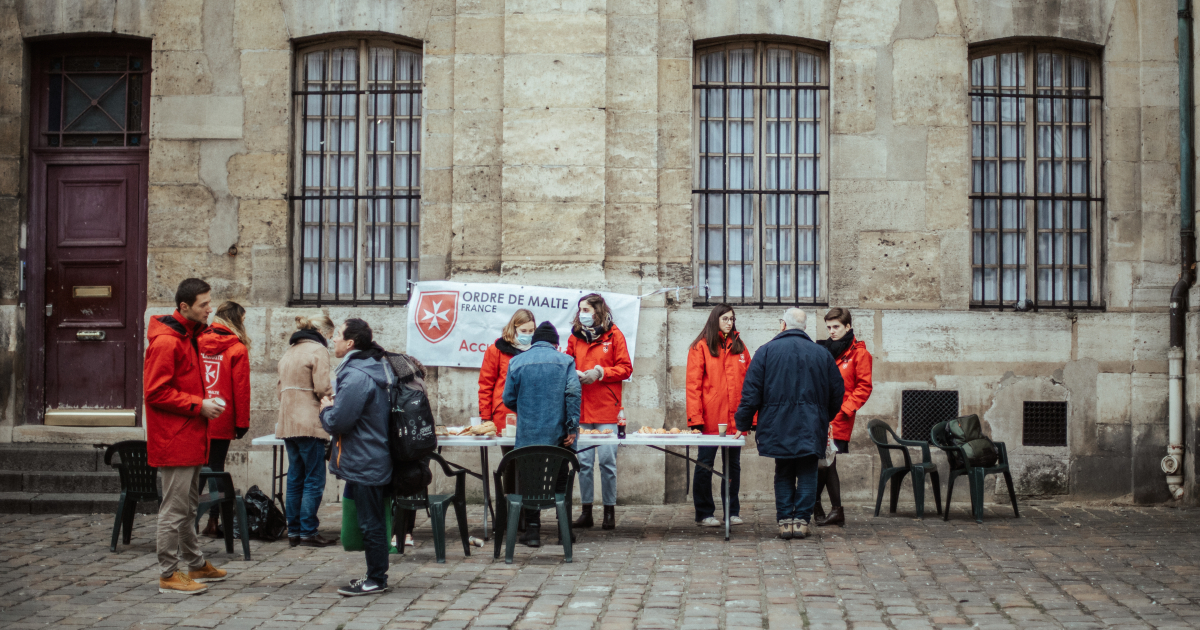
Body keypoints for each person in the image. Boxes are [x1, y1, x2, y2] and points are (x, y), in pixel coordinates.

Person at [144, 278, 228, 594]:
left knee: (189, 507)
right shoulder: (168, 342)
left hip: (189, 436)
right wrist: (199, 405)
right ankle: (168, 573)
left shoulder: (187, 336)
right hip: (176, 439)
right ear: (184, 307)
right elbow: (155, 392)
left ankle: (195, 563)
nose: (210, 309)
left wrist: (201, 405)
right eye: (204, 304)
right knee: (174, 510)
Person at [734, 308, 843, 541]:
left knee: (783, 470)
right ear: (804, 328)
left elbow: (750, 393)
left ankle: (785, 521)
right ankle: (801, 521)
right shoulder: (821, 354)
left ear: (783, 325)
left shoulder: (765, 352)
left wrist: (742, 423)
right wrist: (824, 416)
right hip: (811, 423)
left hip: (777, 424)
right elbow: (837, 392)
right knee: (807, 470)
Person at [319, 319, 393, 597]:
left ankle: (376, 579)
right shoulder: (370, 367)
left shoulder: (358, 374)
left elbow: (340, 421)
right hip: (372, 453)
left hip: (366, 458)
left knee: (371, 522)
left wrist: (326, 409)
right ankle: (375, 576)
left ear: (350, 343)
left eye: (337, 335)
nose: (333, 340)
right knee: (371, 518)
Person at [502, 321, 581, 547]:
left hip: (528, 432)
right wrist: (572, 427)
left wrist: (527, 409)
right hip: (559, 435)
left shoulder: (516, 362)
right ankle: (563, 530)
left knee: (530, 479)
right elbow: (573, 394)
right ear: (556, 344)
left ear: (534, 342)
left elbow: (508, 398)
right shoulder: (566, 361)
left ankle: (533, 531)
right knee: (560, 479)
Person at [566, 293, 632, 530]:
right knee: (583, 462)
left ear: (598, 311)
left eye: (586, 309)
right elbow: (567, 363)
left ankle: (609, 511)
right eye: (580, 309)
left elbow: (626, 368)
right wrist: (573, 374)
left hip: (607, 410)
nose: (582, 314)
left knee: (607, 462)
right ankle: (586, 511)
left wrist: (600, 372)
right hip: (581, 409)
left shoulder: (615, 335)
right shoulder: (575, 338)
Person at [276, 312, 338, 548]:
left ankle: (294, 531)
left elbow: (279, 389)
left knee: (295, 477)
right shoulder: (317, 350)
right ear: (322, 333)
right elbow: (323, 387)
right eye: (330, 336)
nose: (330, 342)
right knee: (314, 478)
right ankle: (308, 532)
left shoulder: (290, 351)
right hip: (309, 421)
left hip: (287, 421)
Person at [686, 304, 751, 527]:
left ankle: (732, 511)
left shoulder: (740, 348)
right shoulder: (700, 347)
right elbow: (693, 386)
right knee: (705, 464)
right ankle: (704, 512)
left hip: (734, 420)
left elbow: (749, 385)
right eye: (725, 318)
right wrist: (695, 420)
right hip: (710, 419)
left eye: (732, 319)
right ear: (715, 320)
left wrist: (749, 419)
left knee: (733, 467)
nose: (729, 322)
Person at [814, 308, 873, 528]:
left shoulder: (859, 354)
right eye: (829, 327)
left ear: (848, 327)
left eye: (836, 327)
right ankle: (820, 505)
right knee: (823, 462)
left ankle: (834, 509)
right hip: (822, 415)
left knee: (828, 463)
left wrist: (845, 410)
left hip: (839, 417)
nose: (832, 331)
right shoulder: (823, 349)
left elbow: (864, 387)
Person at [197, 301, 252, 539]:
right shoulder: (237, 348)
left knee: (196, 469)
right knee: (216, 468)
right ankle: (213, 521)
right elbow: (241, 389)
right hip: (221, 416)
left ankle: (187, 519)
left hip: (196, 414)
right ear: (236, 320)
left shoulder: (196, 341)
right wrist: (242, 422)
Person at [478, 308, 536, 527]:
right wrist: (486, 417)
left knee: (528, 464)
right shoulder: (496, 350)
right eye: (524, 330)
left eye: (531, 330)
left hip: (530, 414)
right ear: (514, 328)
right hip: (505, 416)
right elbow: (486, 384)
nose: (528, 334)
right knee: (510, 464)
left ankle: (525, 513)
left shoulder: (535, 350)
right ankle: (511, 514)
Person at [383, 348, 429, 549]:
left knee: (388, 490)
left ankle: (388, 532)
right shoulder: (417, 382)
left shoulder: (386, 380)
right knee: (411, 486)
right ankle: (406, 533)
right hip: (414, 444)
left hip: (388, 442)